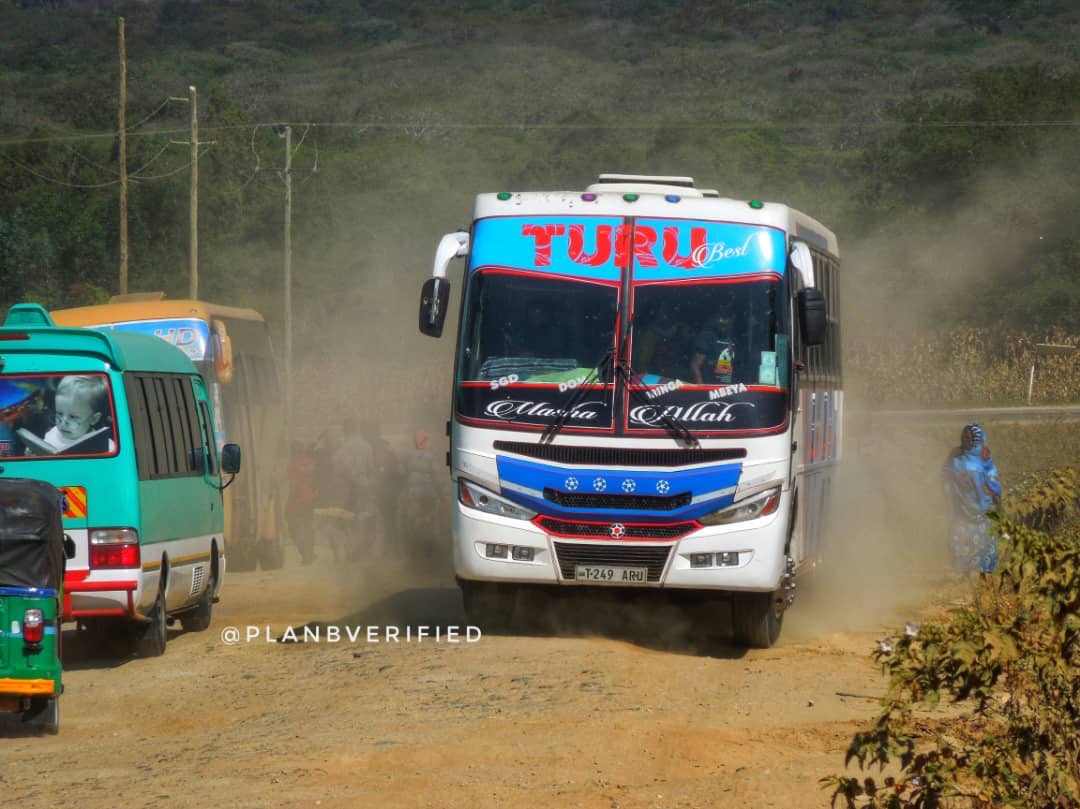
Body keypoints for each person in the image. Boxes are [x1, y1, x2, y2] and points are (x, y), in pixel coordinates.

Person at [943, 423, 1002, 574]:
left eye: (968, 437)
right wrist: (951, 456)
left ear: (976, 439)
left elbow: (993, 484)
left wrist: (999, 507)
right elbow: (946, 475)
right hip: (962, 512)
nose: (964, 440)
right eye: (963, 437)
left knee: (984, 548)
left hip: (982, 514)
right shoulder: (956, 458)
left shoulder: (984, 459)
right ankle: (963, 576)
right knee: (957, 543)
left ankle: (984, 577)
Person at [44, 375, 114, 452]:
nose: (63, 423)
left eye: (73, 417)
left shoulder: (106, 446)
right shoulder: (52, 434)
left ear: (94, 419)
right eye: (59, 413)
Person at [285, 440, 317, 565]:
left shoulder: (293, 464)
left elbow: (293, 484)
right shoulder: (311, 462)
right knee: (308, 525)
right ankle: (311, 551)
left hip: (297, 499)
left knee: (292, 526)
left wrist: (290, 500)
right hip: (311, 498)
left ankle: (305, 554)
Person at [690, 310, 737, 385]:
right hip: (708, 387)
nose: (723, 321)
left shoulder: (733, 339)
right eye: (721, 318)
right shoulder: (706, 337)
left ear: (732, 321)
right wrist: (701, 387)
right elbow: (695, 365)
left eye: (726, 318)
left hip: (726, 388)